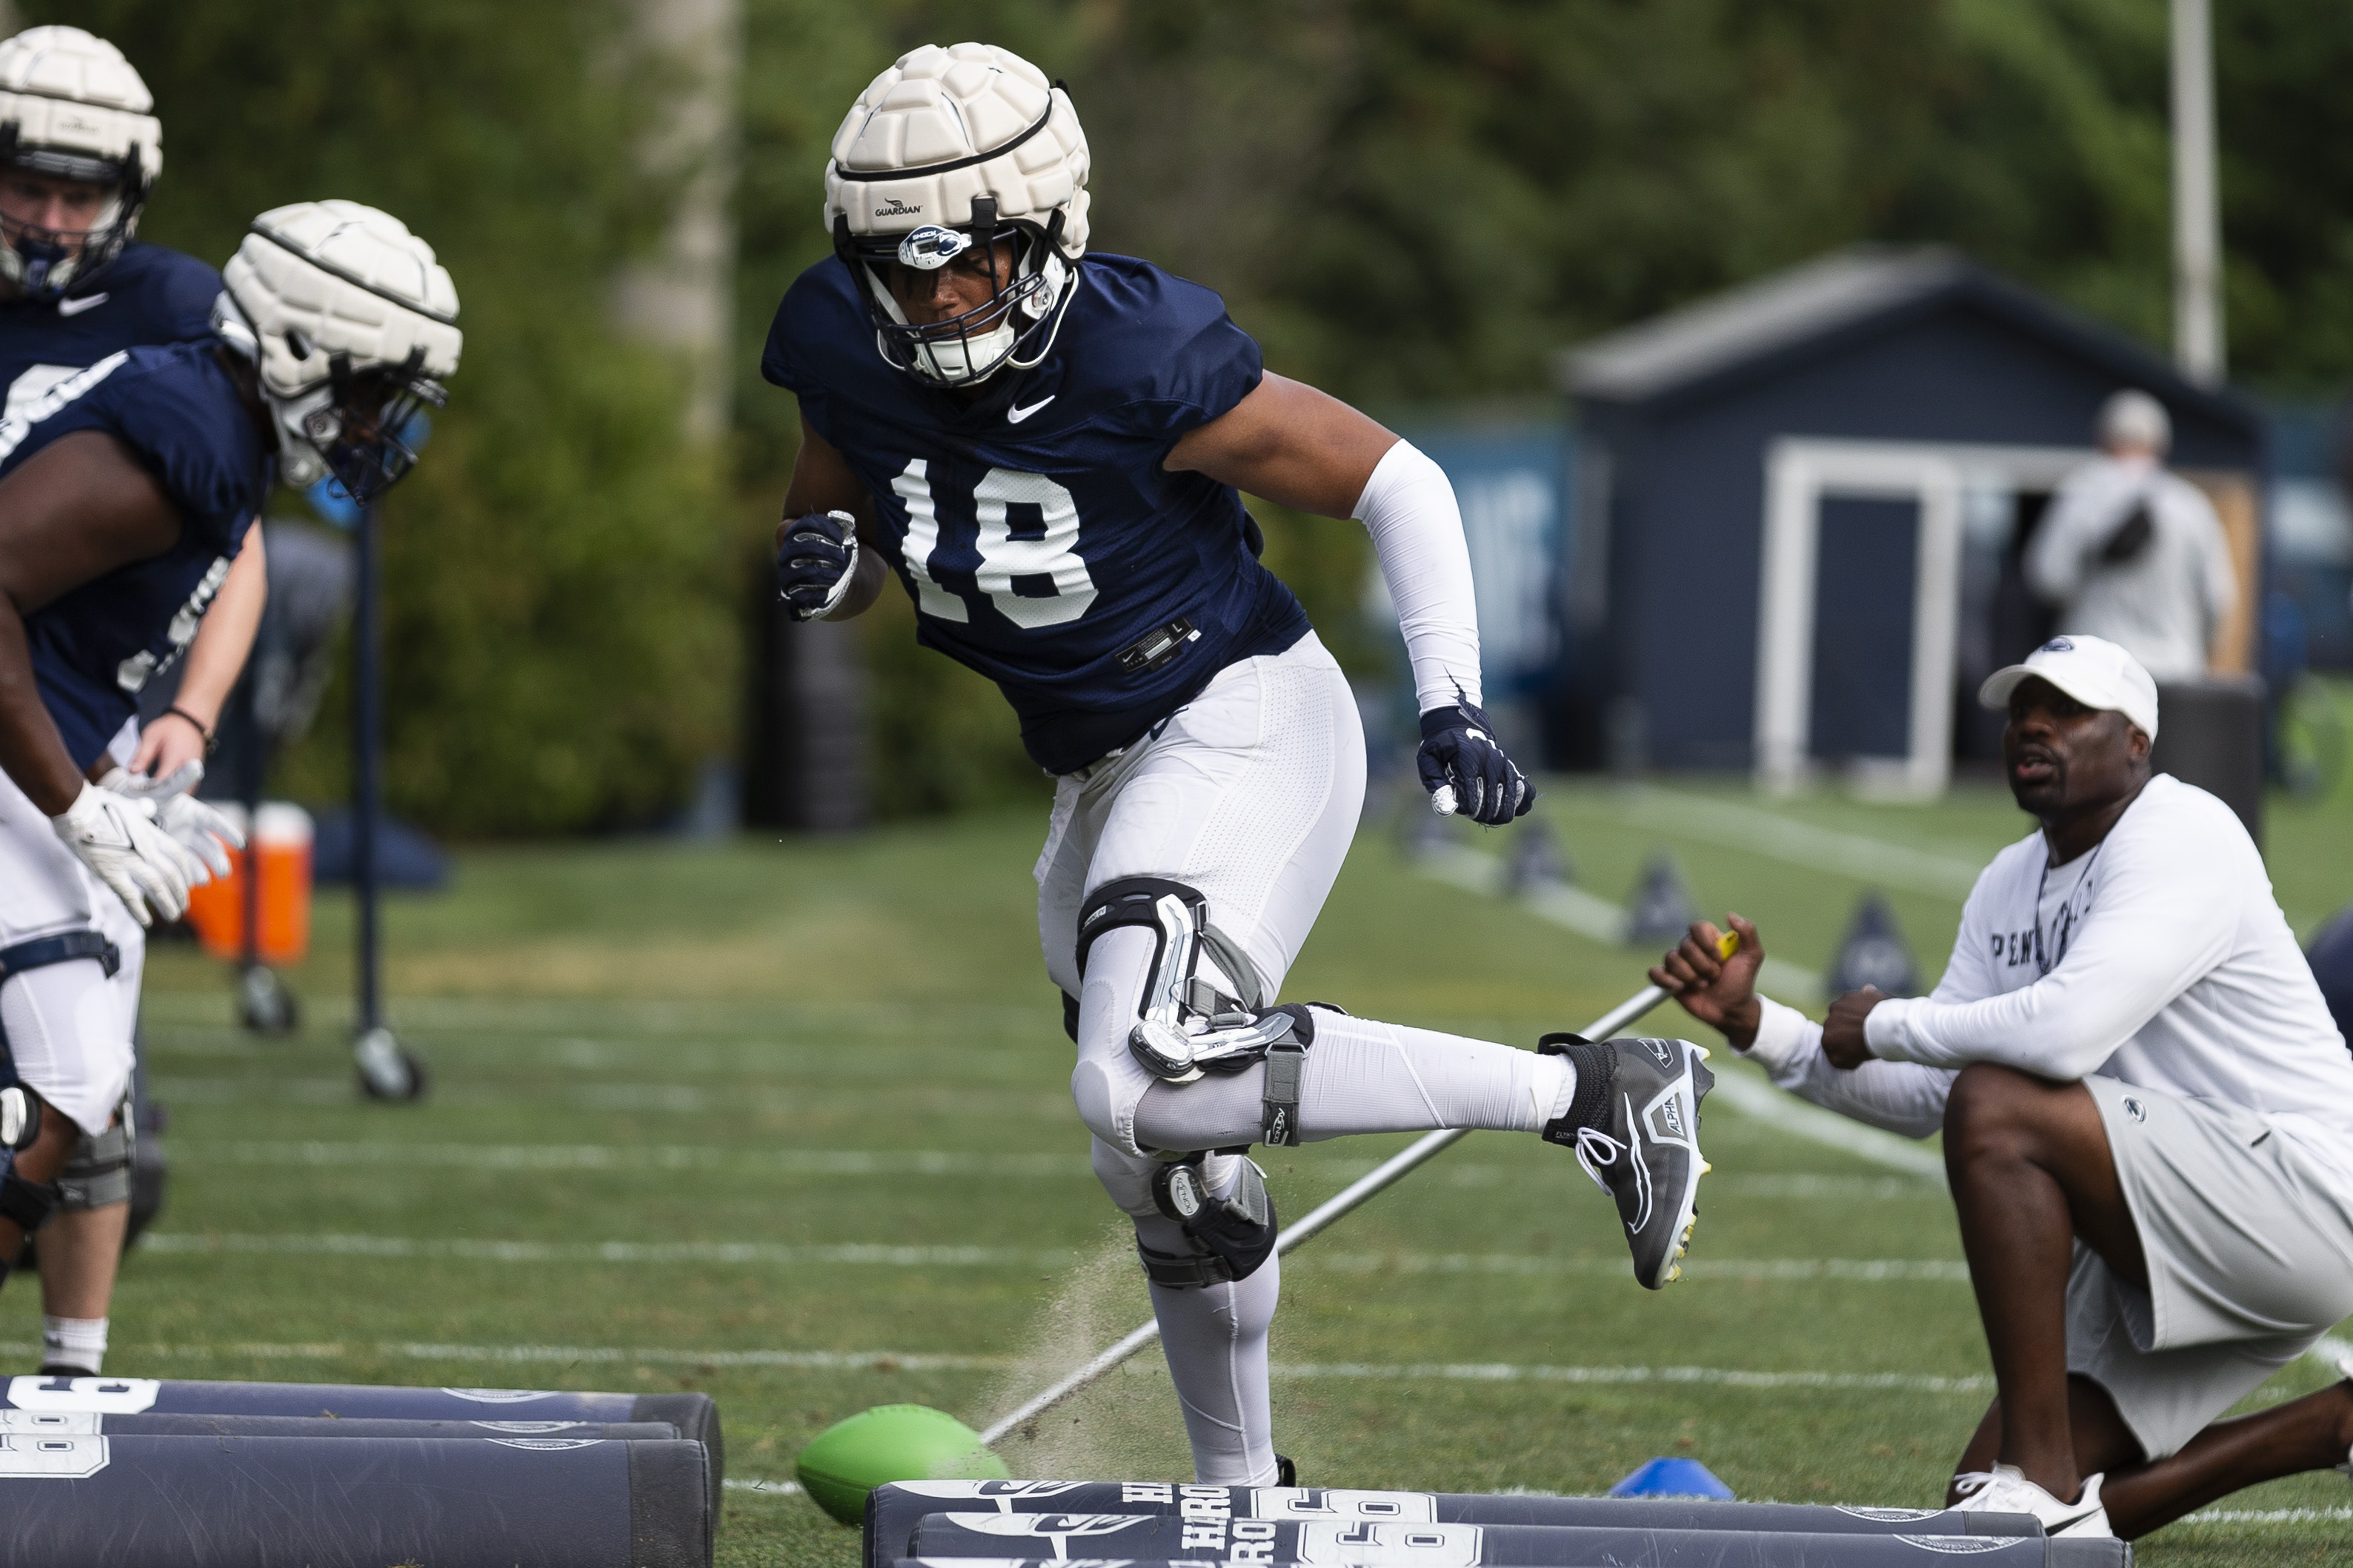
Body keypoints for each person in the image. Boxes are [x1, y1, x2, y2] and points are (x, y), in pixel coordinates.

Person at [761, 41, 1715, 1486]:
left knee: (1139, 1075)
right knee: (1166, 1169)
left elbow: (1396, 477)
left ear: (1049, 232)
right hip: (1094, 772)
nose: (941, 297)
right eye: (905, 266)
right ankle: (1244, 1495)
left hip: (1234, 712)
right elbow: (841, 537)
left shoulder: (1137, 354)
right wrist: (831, 576)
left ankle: (1595, 1093)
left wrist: (1450, 700)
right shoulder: (838, 344)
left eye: (975, 259)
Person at [1651, 634, 2353, 1540]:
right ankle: (2324, 1426)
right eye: (2022, 709)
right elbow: (1928, 1095)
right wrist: (1758, 1024)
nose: (2033, 725)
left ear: (2135, 741)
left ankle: (2037, 1469)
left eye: (2066, 710)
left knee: (2000, 1105)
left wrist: (1887, 1022)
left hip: (2305, 1199)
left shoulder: (2184, 831)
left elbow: (2060, 1033)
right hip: (2172, 1224)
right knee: (1984, 1520)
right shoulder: (2008, 880)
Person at [0, 197, 462, 1350]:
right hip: (18, 758)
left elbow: (60, 633)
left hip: (44, 739)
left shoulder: (225, 428)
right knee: (64, 1077)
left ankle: (72, 1380)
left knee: (83, 1076)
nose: (380, 424)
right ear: (298, 351)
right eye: (372, 390)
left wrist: (124, 759)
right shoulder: (191, 439)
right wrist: (75, 804)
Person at [0, 20, 275, 1375]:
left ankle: (73, 1378)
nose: (53, 220)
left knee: (83, 1076)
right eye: (28, 186)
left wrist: (190, 712)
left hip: (68, 722)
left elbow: (236, 538)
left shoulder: (179, 308)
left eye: (80, 193)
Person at [2026, 390, 2237, 681]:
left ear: (2102, 438)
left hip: (2096, 671)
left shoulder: (2081, 493)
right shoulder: (2191, 504)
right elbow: (2220, 598)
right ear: (2162, 444)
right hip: (2175, 670)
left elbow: (2048, 579)